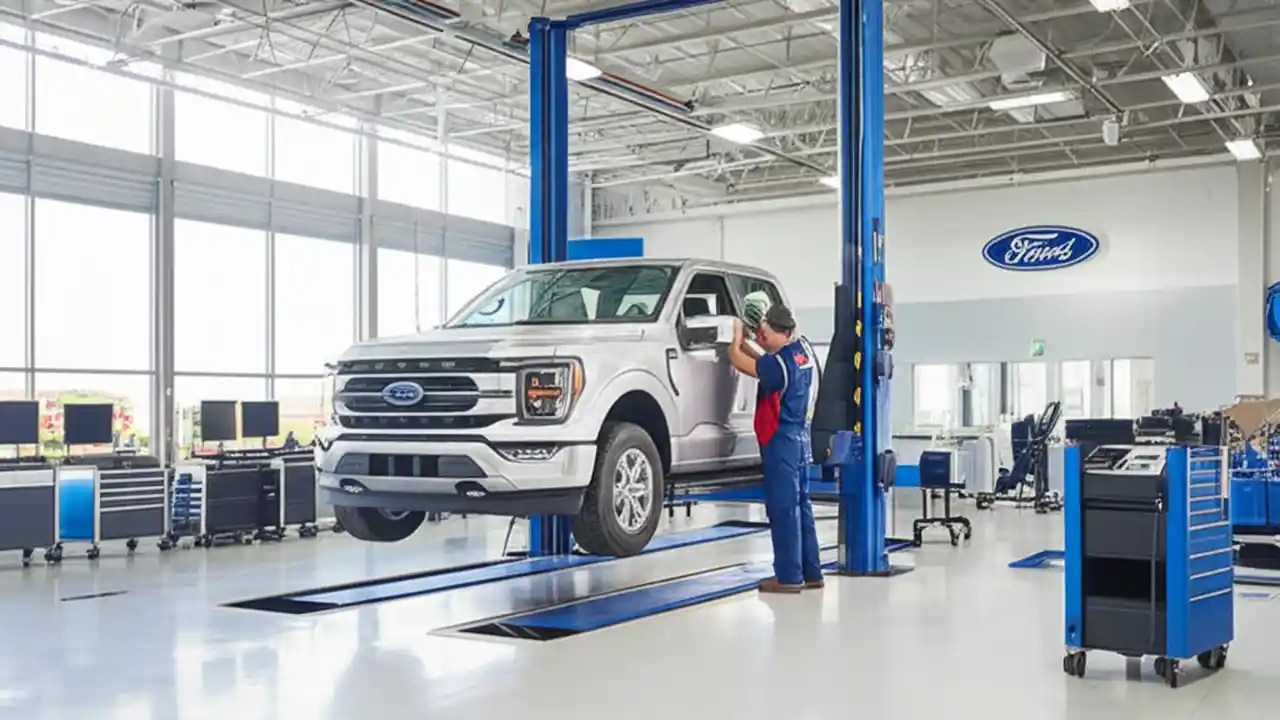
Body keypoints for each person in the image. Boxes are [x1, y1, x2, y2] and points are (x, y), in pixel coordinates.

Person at [728, 303, 823, 594]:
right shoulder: (801, 350)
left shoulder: (777, 363)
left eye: (763, 332)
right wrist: (751, 343)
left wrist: (734, 338)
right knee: (801, 506)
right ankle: (811, 573)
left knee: (783, 510)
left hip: (781, 442)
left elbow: (739, 361)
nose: (760, 337)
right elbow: (764, 361)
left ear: (779, 331)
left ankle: (788, 577)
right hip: (800, 438)